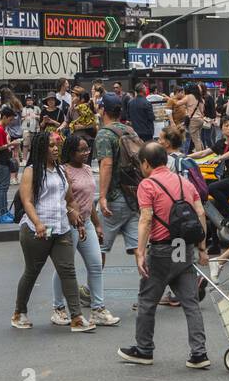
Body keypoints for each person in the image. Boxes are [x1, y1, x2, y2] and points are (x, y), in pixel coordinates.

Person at [117, 142, 209, 368]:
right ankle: (199, 353)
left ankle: (144, 349)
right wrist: (202, 247)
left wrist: (139, 252)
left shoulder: (147, 185)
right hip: (183, 247)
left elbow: (146, 219)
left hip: (161, 250)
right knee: (191, 302)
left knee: (147, 300)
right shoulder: (184, 182)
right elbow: (200, 213)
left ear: (146, 163)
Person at [11, 129, 94, 333]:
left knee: (68, 270)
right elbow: (27, 201)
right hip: (39, 230)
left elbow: (69, 199)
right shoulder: (31, 171)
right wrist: (38, 224)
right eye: (51, 145)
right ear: (41, 148)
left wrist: (75, 215)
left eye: (56, 145)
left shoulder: (60, 170)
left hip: (61, 228)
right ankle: (19, 313)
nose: (55, 149)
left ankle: (76, 317)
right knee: (32, 272)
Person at [51, 133, 118, 328]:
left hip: (87, 222)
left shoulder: (88, 169)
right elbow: (61, 200)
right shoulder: (63, 171)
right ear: (70, 153)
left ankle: (98, 309)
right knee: (64, 268)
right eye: (81, 150)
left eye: (87, 149)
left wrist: (97, 224)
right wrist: (72, 215)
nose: (86, 153)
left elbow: (90, 200)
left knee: (96, 265)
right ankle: (58, 308)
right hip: (69, 224)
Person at [94, 94, 142, 264]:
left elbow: (106, 165)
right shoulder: (130, 130)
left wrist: (102, 197)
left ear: (103, 111)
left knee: (98, 248)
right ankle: (149, 288)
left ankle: (95, 288)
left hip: (114, 198)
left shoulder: (104, 135)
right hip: (133, 197)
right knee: (139, 249)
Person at [0, 107, 20, 223]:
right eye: (10, 119)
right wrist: (10, 144)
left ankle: (4, 211)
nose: (11, 122)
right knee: (3, 187)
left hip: (4, 159)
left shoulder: (2, 128)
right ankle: (3, 213)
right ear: (4, 117)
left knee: (5, 186)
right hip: (2, 160)